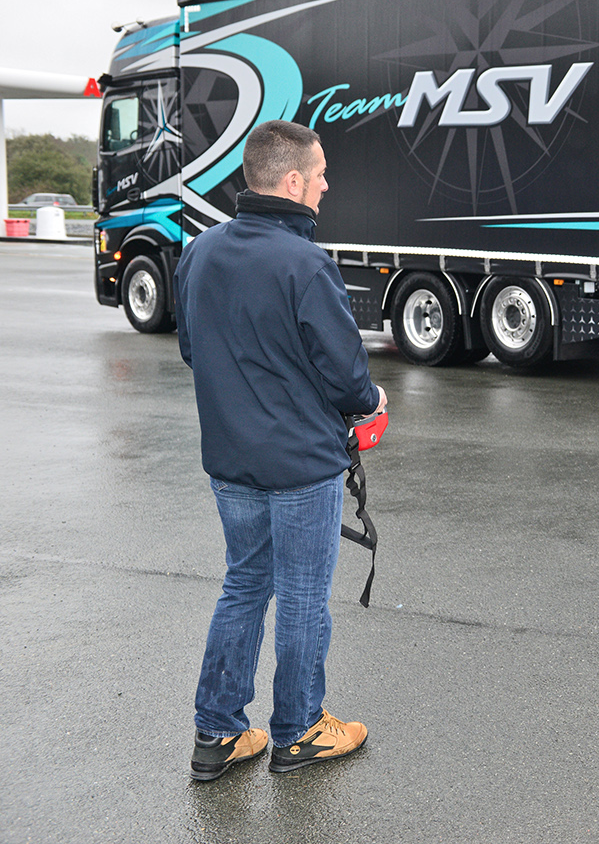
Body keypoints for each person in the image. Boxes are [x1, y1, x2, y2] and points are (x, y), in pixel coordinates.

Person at [177, 119, 386, 781]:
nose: (326, 186)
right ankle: (299, 732)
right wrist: (375, 403)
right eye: (320, 175)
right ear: (293, 181)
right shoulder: (306, 263)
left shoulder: (199, 252)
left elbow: (193, 351)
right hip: (300, 467)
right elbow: (349, 378)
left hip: (230, 462)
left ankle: (218, 734)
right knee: (300, 598)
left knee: (243, 584)